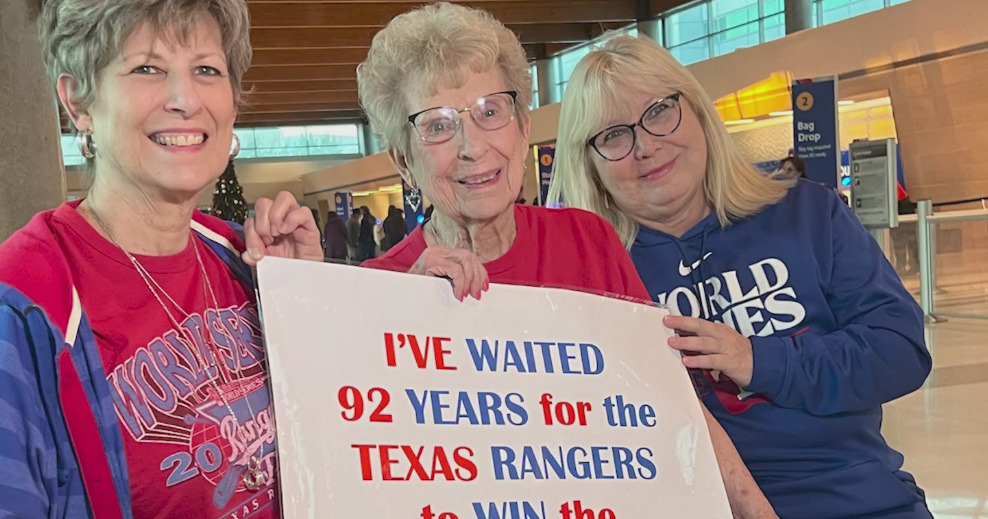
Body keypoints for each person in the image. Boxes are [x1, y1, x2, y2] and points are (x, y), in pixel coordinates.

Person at [355, 4, 777, 517]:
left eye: (491, 112)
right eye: (438, 126)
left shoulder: (587, 241)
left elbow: (670, 403)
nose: (472, 147)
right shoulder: (376, 292)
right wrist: (406, 314)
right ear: (404, 159)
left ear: (523, 126)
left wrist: (755, 509)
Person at [547, 35, 932, 519]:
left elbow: (900, 350)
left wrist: (760, 360)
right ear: (590, 163)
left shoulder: (807, 212)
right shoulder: (588, 274)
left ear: (698, 111)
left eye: (660, 111)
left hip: (852, 497)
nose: (645, 145)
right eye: (614, 136)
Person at [0, 1, 322, 517]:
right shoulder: (23, 307)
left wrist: (307, 301)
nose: (185, 99)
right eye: (147, 68)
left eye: (206, 69)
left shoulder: (246, 258)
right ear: (78, 101)